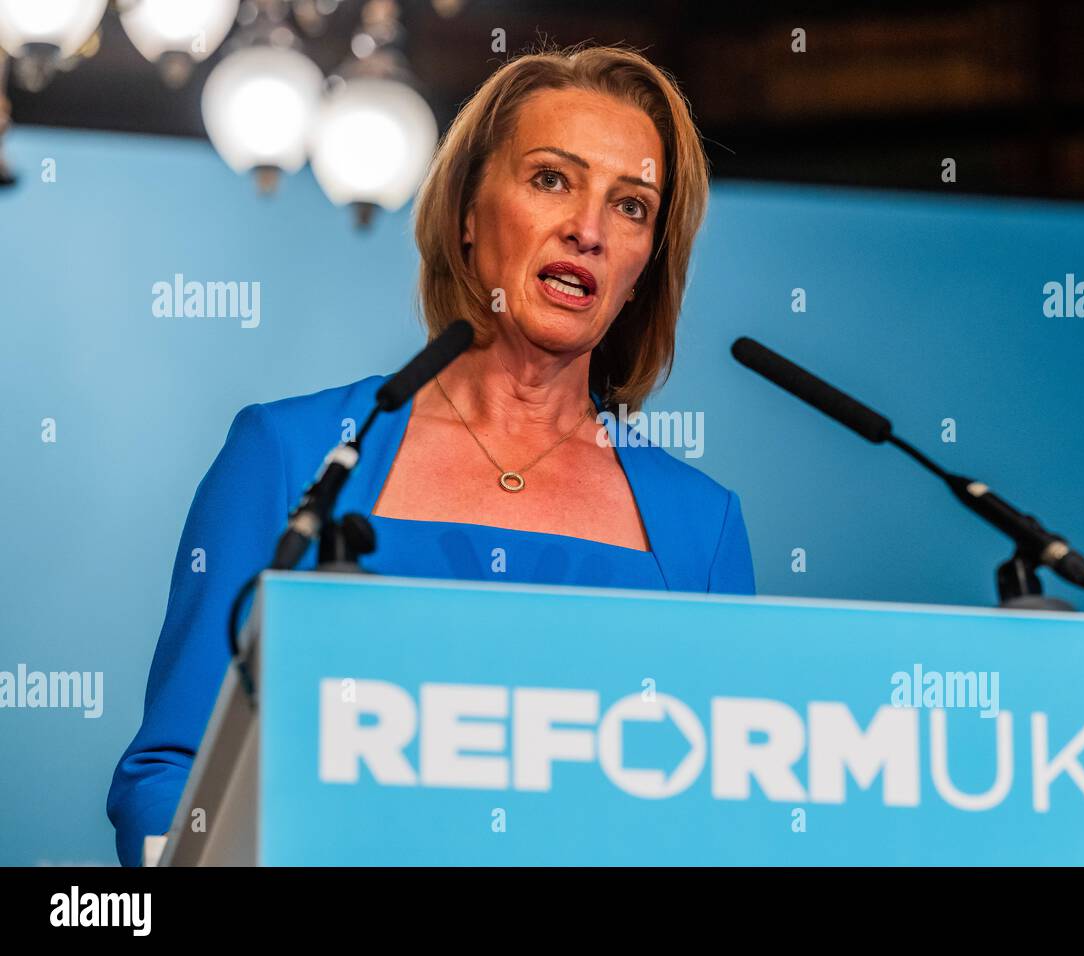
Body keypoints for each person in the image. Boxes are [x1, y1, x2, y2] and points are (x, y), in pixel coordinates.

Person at [107, 44, 755, 867]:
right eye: (551, 179)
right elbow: (172, 772)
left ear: (645, 266)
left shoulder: (703, 527)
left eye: (630, 205)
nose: (588, 230)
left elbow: (729, 816)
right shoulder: (295, 455)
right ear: (466, 215)